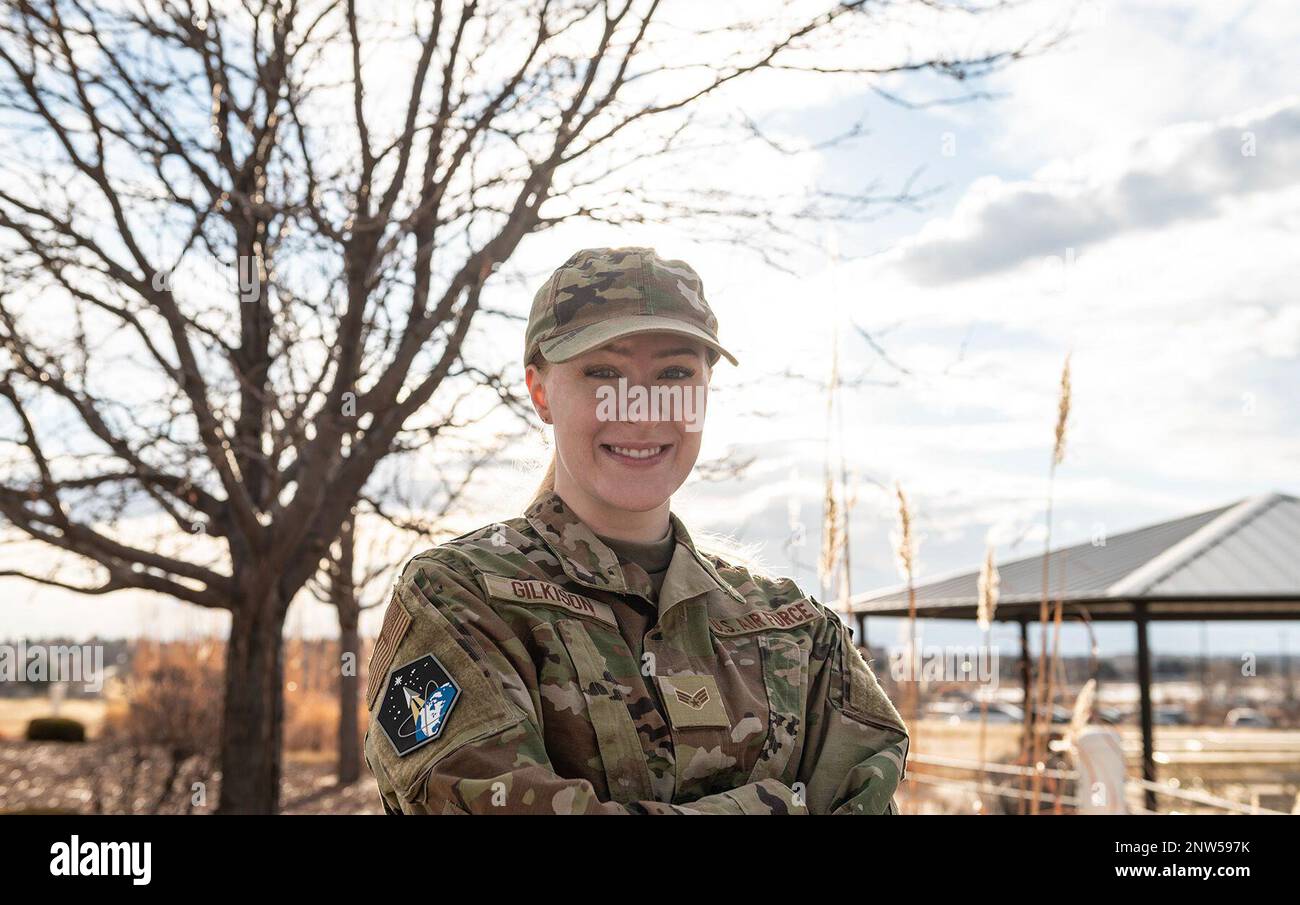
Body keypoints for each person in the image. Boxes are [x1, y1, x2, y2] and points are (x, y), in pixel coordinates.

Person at [364, 246, 909, 814]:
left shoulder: (797, 630)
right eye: (603, 373)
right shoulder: (458, 600)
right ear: (541, 392)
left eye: (674, 374)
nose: (642, 410)